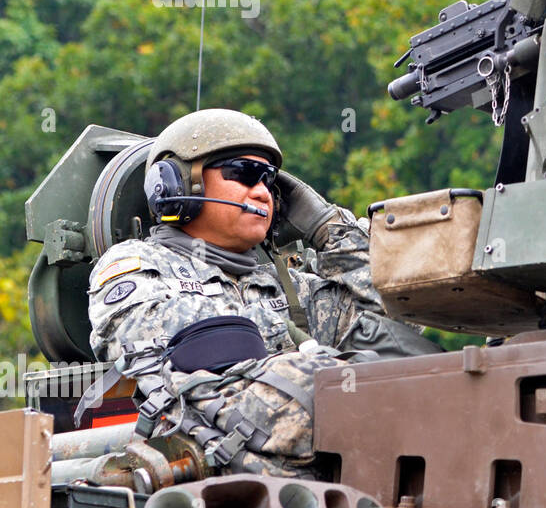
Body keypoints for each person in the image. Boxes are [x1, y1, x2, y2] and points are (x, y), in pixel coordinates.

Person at [83, 108, 438, 478]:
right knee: (319, 376)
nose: (263, 192)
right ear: (178, 184)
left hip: (317, 470)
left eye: (270, 181)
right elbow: (164, 343)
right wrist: (315, 359)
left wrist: (326, 226)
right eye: (243, 173)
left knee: (424, 372)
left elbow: (401, 317)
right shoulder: (136, 264)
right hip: (206, 455)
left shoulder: (287, 285)